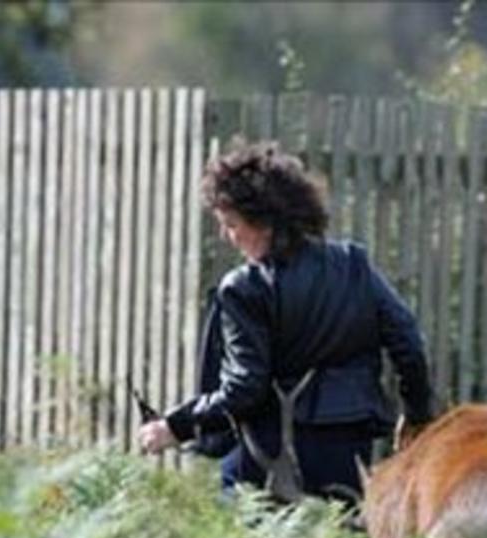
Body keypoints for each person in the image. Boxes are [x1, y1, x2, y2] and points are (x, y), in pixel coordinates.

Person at [137, 142, 434, 500]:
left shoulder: (244, 288)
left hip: (272, 452)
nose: (225, 236)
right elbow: (409, 343)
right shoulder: (355, 265)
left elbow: (244, 389)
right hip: (349, 444)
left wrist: (175, 425)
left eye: (230, 224)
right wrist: (416, 415)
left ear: (263, 221)